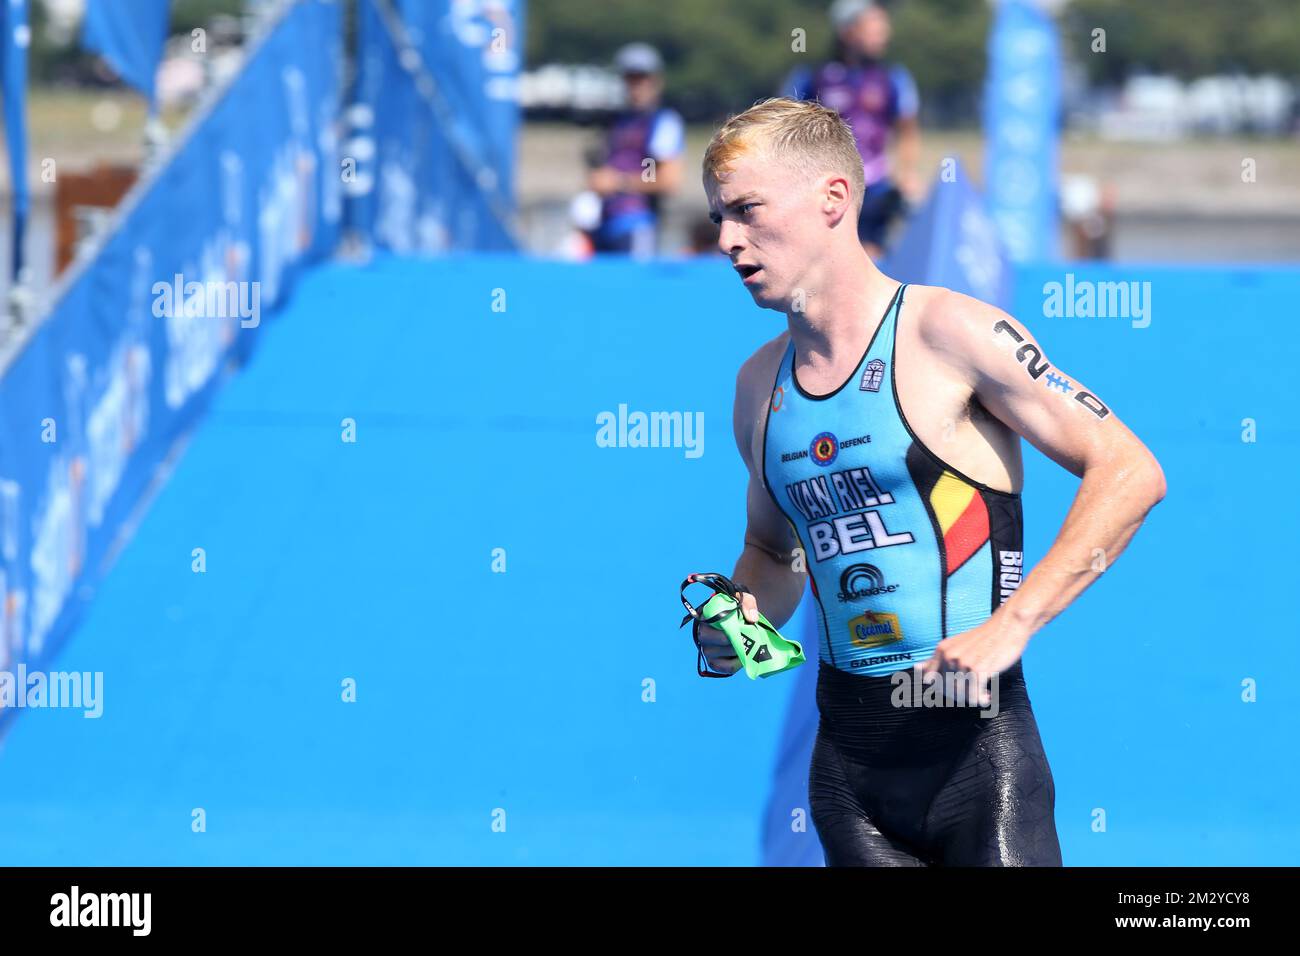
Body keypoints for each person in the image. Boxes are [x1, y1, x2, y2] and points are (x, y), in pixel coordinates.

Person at [689, 98, 1166, 865]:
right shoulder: (757, 385)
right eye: (717, 218)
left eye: (746, 211)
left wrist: (1012, 627)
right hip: (848, 773)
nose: (726, 240)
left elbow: (1131, 470)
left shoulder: (952, 332)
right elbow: (774, 555)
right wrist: (738, 620)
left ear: (833, 199)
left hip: (976, 759)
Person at [783, 0, 921, 257]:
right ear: (848, 31)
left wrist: (907, 175)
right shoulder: (811, 77)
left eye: (884, 28)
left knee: (870, 255)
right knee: (826, 255)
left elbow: (907, 131)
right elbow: (785, 131)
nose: (883, 35)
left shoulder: (893, 77)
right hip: (823, 186)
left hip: (875, 187)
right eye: (874, 28)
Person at [582, 43, 685, 257]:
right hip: (604, 223)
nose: (635, 86)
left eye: (642, 78)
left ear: (656, 81)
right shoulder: (617, 122)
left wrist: (619, 182)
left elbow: (667, 180)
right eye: (630, 79)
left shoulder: (662, 122)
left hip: (637, 223)